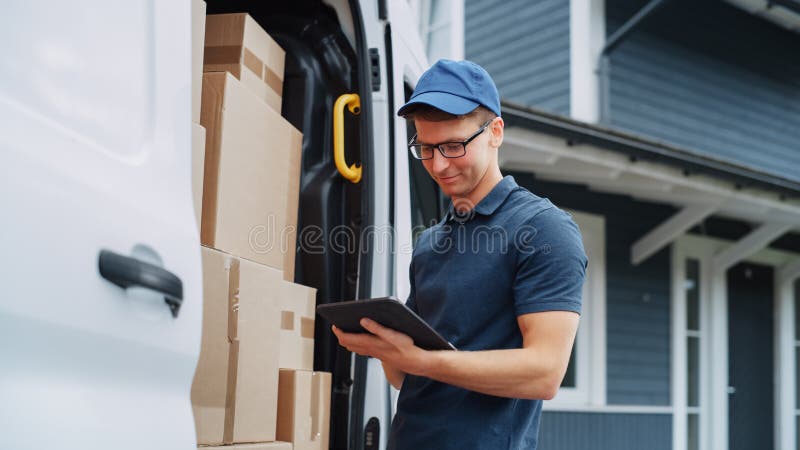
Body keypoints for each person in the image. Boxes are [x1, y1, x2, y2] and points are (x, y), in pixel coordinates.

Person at [331, 59, 588, 450]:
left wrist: (421, 361)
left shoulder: (544, 229)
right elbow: (409, 379)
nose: (438, 164)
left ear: (495, 132)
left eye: (453, 146)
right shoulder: (431, 242)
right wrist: (383, 346)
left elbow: (544, 373)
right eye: (426, 147)